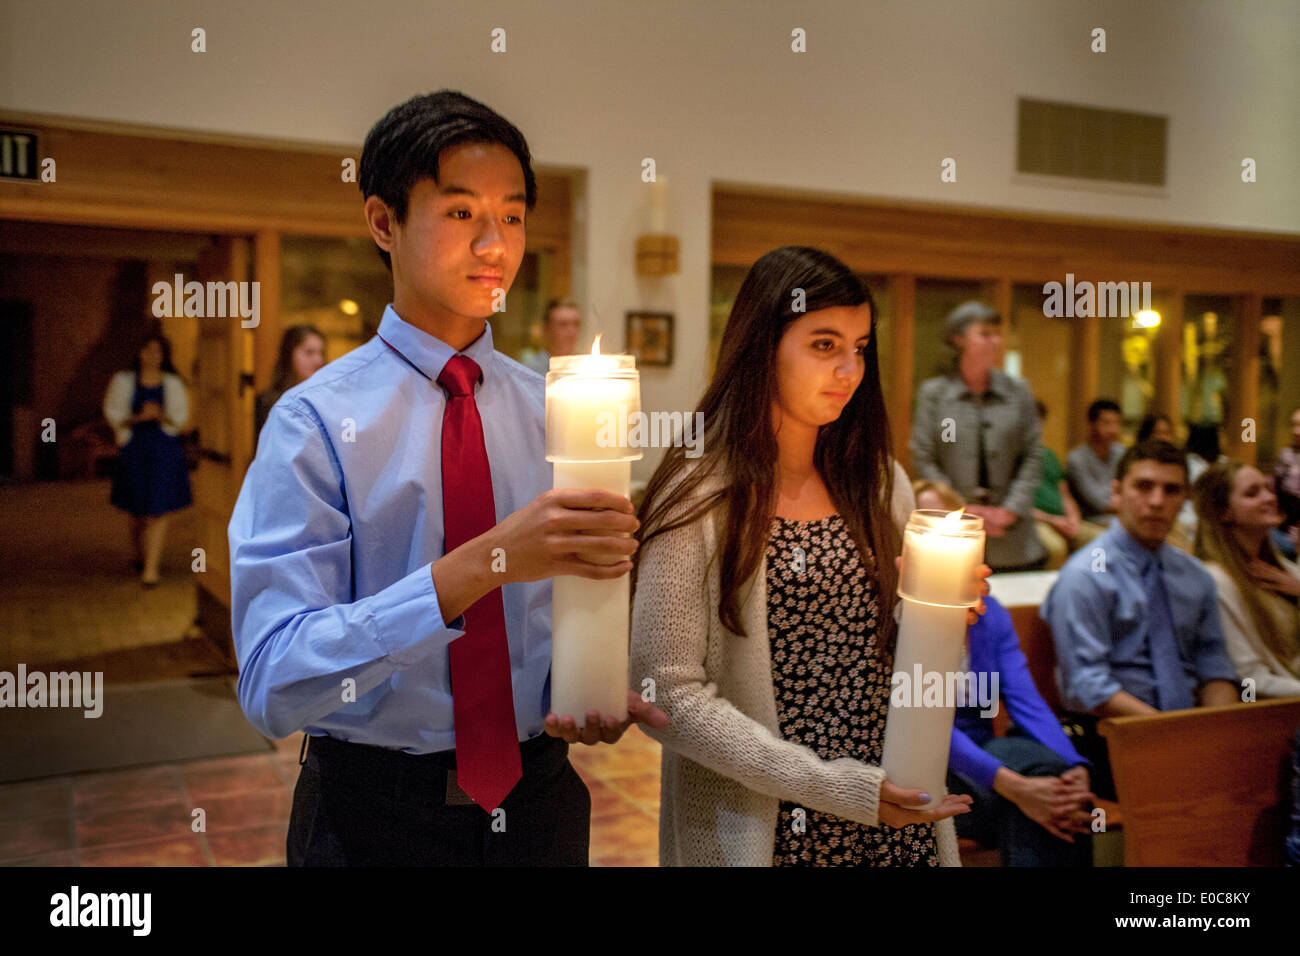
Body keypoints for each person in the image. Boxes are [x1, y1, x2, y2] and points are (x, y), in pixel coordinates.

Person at [228, 90, 666, 867]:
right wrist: (476, 568)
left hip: (539, 805)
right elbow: (274, 681)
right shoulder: (316, 424)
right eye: (462, 213)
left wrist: (593, 679)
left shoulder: (554, 413)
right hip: (374, 818)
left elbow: (566, 611)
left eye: (514, 215)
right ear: (383, 222)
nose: (494, 243)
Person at [630, 246, 981, 867]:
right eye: (824, 345)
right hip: (767, 828)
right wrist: (837, 789)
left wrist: (944, 623)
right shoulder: (699, 495)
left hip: (893, 809)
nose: (850, 369)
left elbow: (913, 671)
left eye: (861, 347)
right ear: (764, 347)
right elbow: (666, 696)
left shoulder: (877, 482)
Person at [1041, 439, 1238, 800]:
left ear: (1185, 500)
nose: (1157, 501)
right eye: (1143, 486)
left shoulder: (1195, 576)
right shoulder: (1086, 574)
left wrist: (1215, 734)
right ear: (1116, 492)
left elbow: (1216, 667)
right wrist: (1169, 737)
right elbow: (1087, 685)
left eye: (1172, 490)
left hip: (1187, 732)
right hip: (1112, 735)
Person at [915, 480, 1094, 867]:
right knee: (1032, 793)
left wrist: (1075, 766)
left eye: (953, 525)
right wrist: (1014, 785)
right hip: (927, 769)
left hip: (986, 766)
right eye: (929, 525)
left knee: (1051, 783)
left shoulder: (989, 613)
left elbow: (1026, 701)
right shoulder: (904, 618)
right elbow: (929, 729)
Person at [910, 301, 1046, 572]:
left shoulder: (1017, 390)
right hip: (953, 531)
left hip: (1014, 534)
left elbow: (1032, 454)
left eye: (998, 333)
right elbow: (923, 455)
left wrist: (1010, 510)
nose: (995, 341)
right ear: (958, 339)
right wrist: (961, 508)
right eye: (985, 334)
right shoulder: (934, 394)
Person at [1192, 461, 1300, 698]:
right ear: (1224, 512)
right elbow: (1251, 680)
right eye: (1253, 493)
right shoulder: (1216, 581)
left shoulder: (1282, 568)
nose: (1269, 498)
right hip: (1268, 713)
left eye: (1267, 488)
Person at [102, 334, 192, 587]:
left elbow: (180, 418)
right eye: (148, 351)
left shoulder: (172, 383)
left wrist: (161, 416)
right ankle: (140, 555)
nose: (152, 357)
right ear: (140, 353)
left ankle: (151, 569)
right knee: (138, 509)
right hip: (135, 447)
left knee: (158, 509)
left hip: (163, 449)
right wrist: (137, 418)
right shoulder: (123, 381)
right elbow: (113, 413)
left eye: (158, 352)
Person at [1030, 400, 1096, 570]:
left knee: (1098, 538)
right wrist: (1053, 520)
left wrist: (1073, 519)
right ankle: (1052, 593)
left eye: (1038, 422)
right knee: (1056, 548)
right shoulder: (1012, 459)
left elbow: (1065, 494)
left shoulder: (1050, 455)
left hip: (1063, 519)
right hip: (1036, 521)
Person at [254, 324, 326, 451]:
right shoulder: (267, 401)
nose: (318, 360)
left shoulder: (325, 399)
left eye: (321, 353)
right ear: (289, 355)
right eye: (309, 353)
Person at [1065, 398, 1124, 529]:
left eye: (1117, 423)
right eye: (1107, 423)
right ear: (1092, 424)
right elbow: (1100, 504)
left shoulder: (1121, 452)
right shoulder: (1077, 458)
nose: (1113, 429)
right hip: (1092, 520)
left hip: (1121, 516)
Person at [523, 299, 581, 375]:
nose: (571, 331)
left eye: (576, 324)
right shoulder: (530, 372)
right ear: (546, 329)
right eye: (563, 324)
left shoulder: (584, 369)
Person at [1273, 408, 1300, 560]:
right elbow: (1278, 485)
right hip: (1286, 520)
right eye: (1293, 425)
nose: (1296, 431)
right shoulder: (1285, 454)